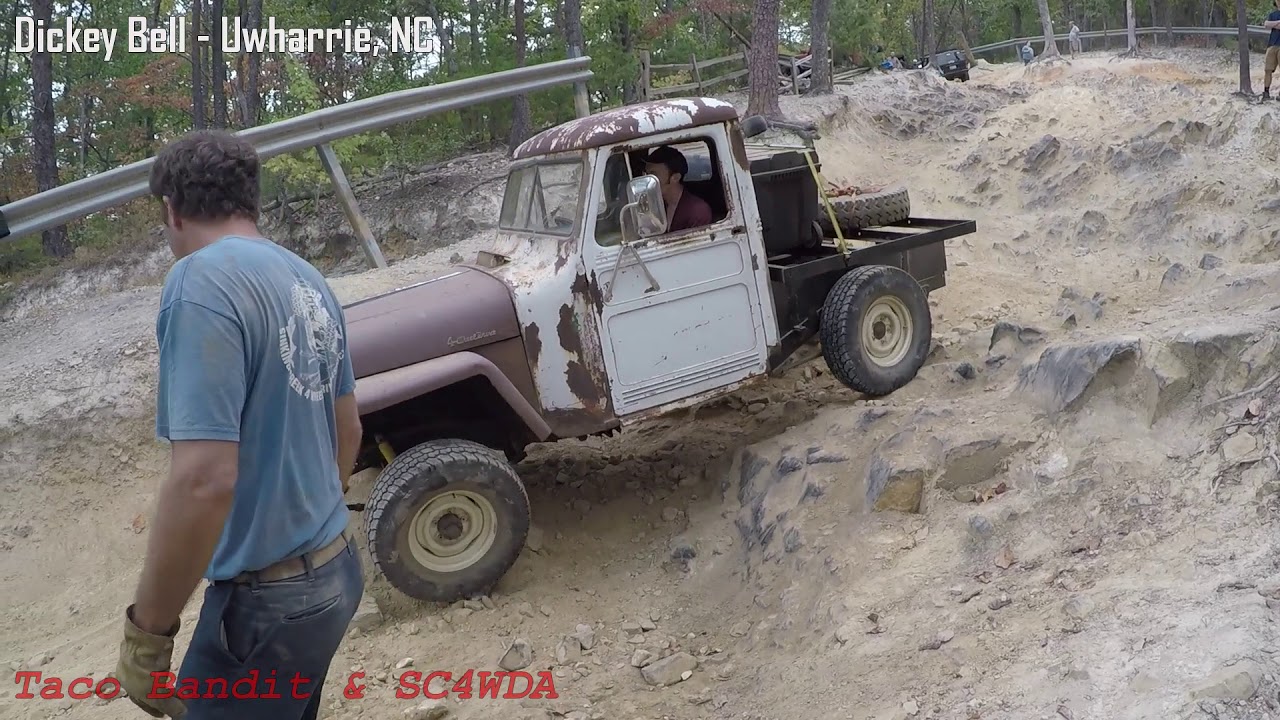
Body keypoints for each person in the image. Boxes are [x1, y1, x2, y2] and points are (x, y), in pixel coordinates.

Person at [115, 129, 365, 720]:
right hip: (335, 576)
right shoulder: (308, 280)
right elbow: (347, 429)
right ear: (250, 203)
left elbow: (203, 480)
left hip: (266, 607)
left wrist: (147, 635)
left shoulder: (199, 282)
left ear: (171, 211)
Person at [643, 145, 713, 233]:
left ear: (675, 177)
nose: (648, 180)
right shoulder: (654, 206)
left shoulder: (697, 211)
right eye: (646, 175)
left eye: (654, 175)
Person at [1265, 0, 1280, 100]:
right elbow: (1266, 24)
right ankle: (1266, 92)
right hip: (1272, 45)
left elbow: (1270, 25)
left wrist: (1273, 24)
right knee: (1267, 69)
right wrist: (1278, 23)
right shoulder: (1272, 14)